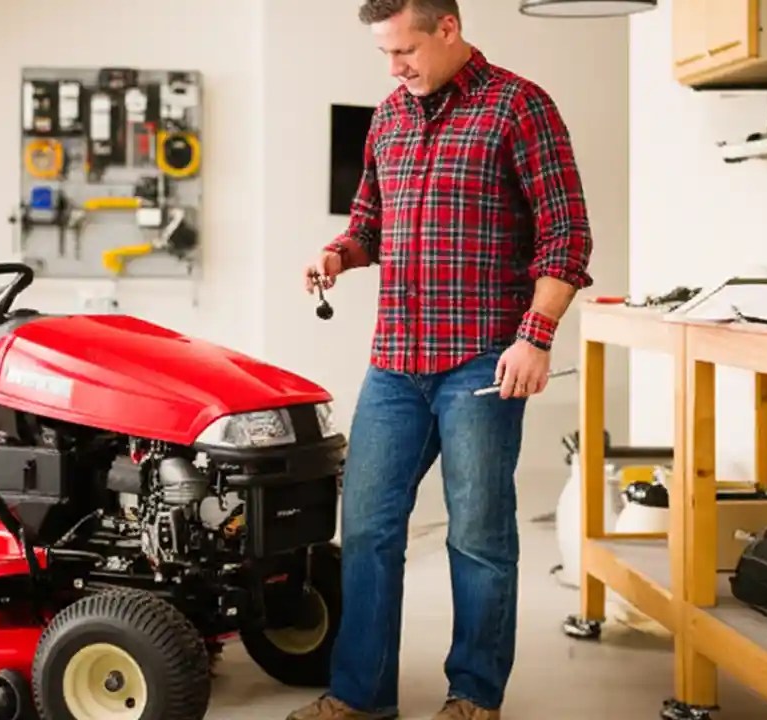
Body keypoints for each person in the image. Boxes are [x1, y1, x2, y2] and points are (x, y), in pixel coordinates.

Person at [288, 1, 593, 719]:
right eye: (385, 55)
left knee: (478, 534)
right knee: (367, 529)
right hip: (396, 359)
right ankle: (361, 698)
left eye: (405, 51)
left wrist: (535, 336)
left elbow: (567, 235)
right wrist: (338, 254)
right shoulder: (389, 117)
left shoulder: (519, 107)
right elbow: (371, 224)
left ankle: (474, 697)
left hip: (482, 361)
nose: (394, 69)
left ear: (448, 29)